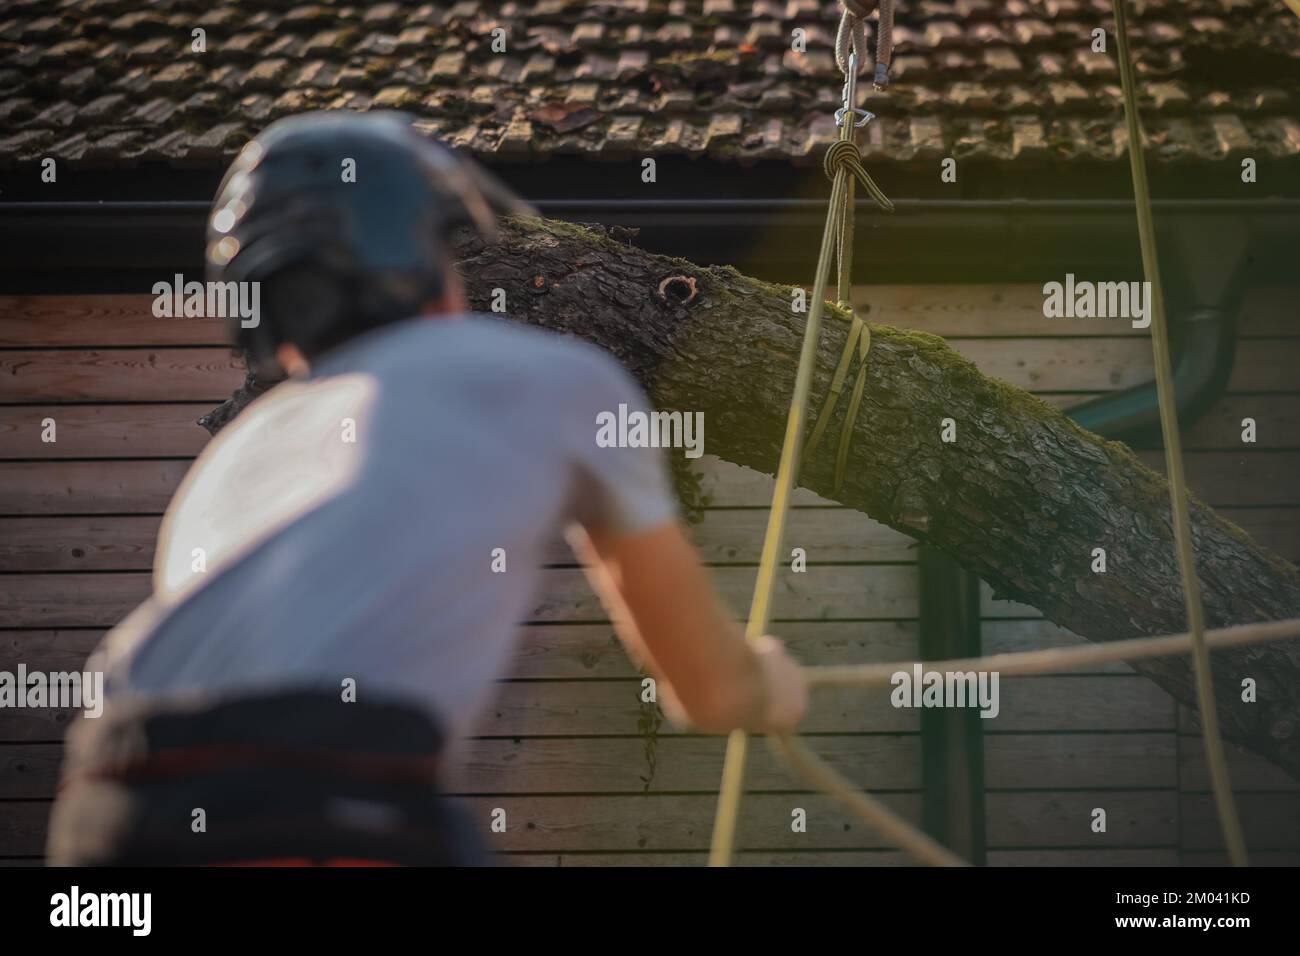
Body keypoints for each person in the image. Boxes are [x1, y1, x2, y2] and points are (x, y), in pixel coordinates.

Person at [46, 111, 807, 867]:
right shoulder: (557, 378)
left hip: (104, 797)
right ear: (412, 253)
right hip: (317, 794)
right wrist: (766, 684)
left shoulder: (240, 450)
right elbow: (706, 690)